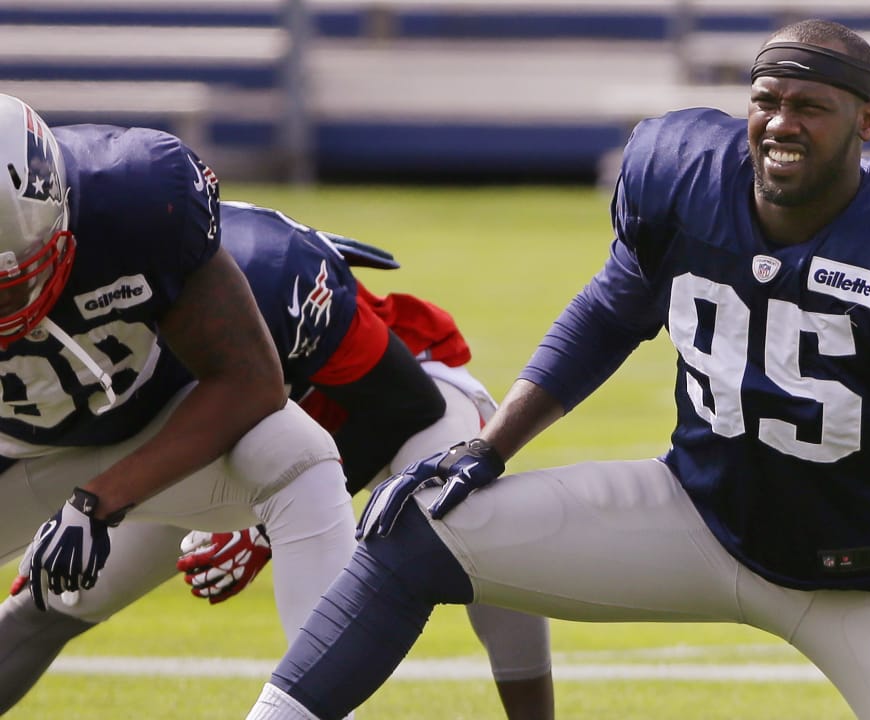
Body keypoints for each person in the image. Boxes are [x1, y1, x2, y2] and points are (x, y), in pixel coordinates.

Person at [246, 19, 870, 720]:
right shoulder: (682, 174)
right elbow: (610, 311)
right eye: (767, 99)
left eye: (812, 106)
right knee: (416, 526)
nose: (781, 122)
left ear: (865, 123)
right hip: (696, 517)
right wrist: (488, 447)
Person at [0, 200, 556, 719]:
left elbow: (405, 405)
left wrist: (259, 533)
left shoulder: (272, 271)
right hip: (230, 431)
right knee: (53, 602)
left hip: (392, 398)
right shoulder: (84, 297)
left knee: (472, 521)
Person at [0, 94, 357, 711]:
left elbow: (250, 381)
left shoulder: (140, 199)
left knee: (298, 455)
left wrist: (100, 501)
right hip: (11, 451)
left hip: (150, 427)